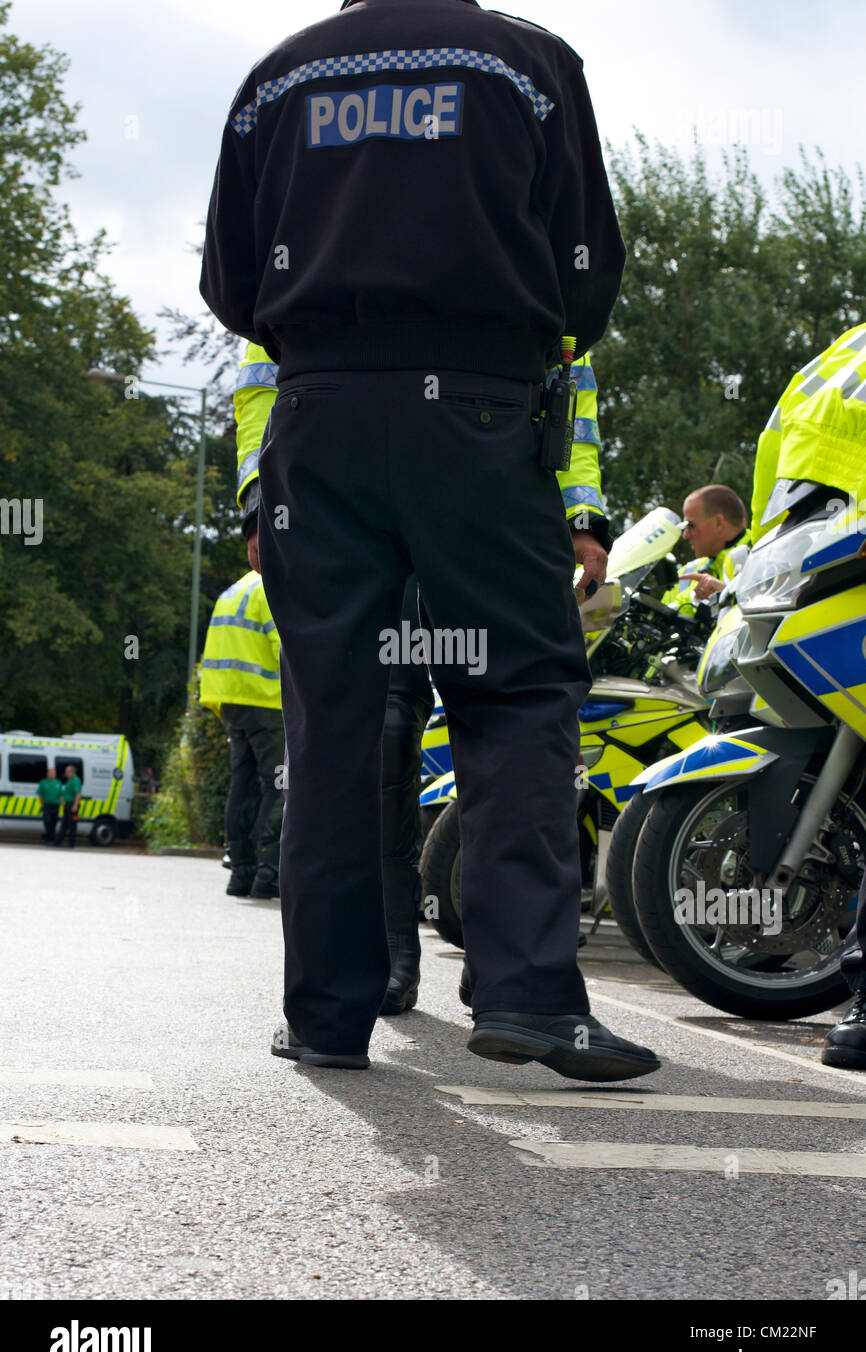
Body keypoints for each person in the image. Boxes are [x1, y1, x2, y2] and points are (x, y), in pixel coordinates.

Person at [201, 0, 659, 1080]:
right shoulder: (528, 64)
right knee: (513, 694)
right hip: (478, 417)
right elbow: (586, 264)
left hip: (318, 425)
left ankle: (325, 1014)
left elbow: (230, 282)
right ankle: (527, 995)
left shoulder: (278, 75)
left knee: (334, 720)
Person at [233, 339, 609, 1014]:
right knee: (389, 728)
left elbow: (573, 377)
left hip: (498, 477)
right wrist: (260, 490)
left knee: (511, 716)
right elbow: (263, 366)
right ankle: (393, 949)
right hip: (367, 482)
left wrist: (583, 512)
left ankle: (505, 962)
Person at [736, 322, 866, 1067]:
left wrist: (762, 542)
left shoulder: (838, 350)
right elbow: (769, 456)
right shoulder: (844, 350)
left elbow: (765, 460)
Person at [200, 571, 285, 899]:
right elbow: (285, 646)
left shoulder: (231, 591)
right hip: (266, 699)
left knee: (243, 783)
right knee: (278, 783)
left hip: (230, 701)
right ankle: (267, 870)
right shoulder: (272, 586)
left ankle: (240, 871)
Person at [662, 484, 750, 613]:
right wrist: (694, 598)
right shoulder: (687, 573)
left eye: (690, 525)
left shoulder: (761, 557)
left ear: (718, 523)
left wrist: (727, 598)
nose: (685, 535)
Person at [55, 764, 82, 847]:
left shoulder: (76, 780)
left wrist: (75, 805)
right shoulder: (70, 780)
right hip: (68, 804)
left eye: (67, 771)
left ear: (72, 772)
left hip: (72, 805)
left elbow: (78, 793)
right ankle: (58, 841)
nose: (65, 773)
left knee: (72, 824)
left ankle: (71, 843)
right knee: (64, 823)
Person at [37, 766, 62, 843]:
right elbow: (40, 794)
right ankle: (49, 836)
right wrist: (42, 804)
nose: (52, 774)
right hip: (47, 805)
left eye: (54, 773)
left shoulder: (58, 782)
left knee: (54, 822)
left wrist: (63, 804)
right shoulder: (43, 782)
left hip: (55, 805)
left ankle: (50, 838)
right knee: (47, 822)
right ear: (47, 774)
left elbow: (60, 795)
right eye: (51, 773)